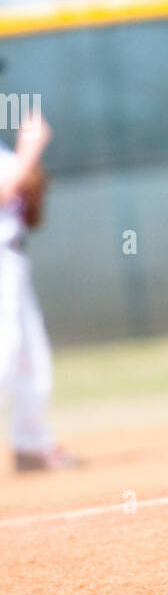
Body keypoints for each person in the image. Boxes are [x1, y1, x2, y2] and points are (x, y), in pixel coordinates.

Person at [0, 84, 81, 472]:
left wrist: (25, 183)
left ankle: (32, 444)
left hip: (12, 256)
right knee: (3, 354)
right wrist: (30, 149)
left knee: (30, 356)